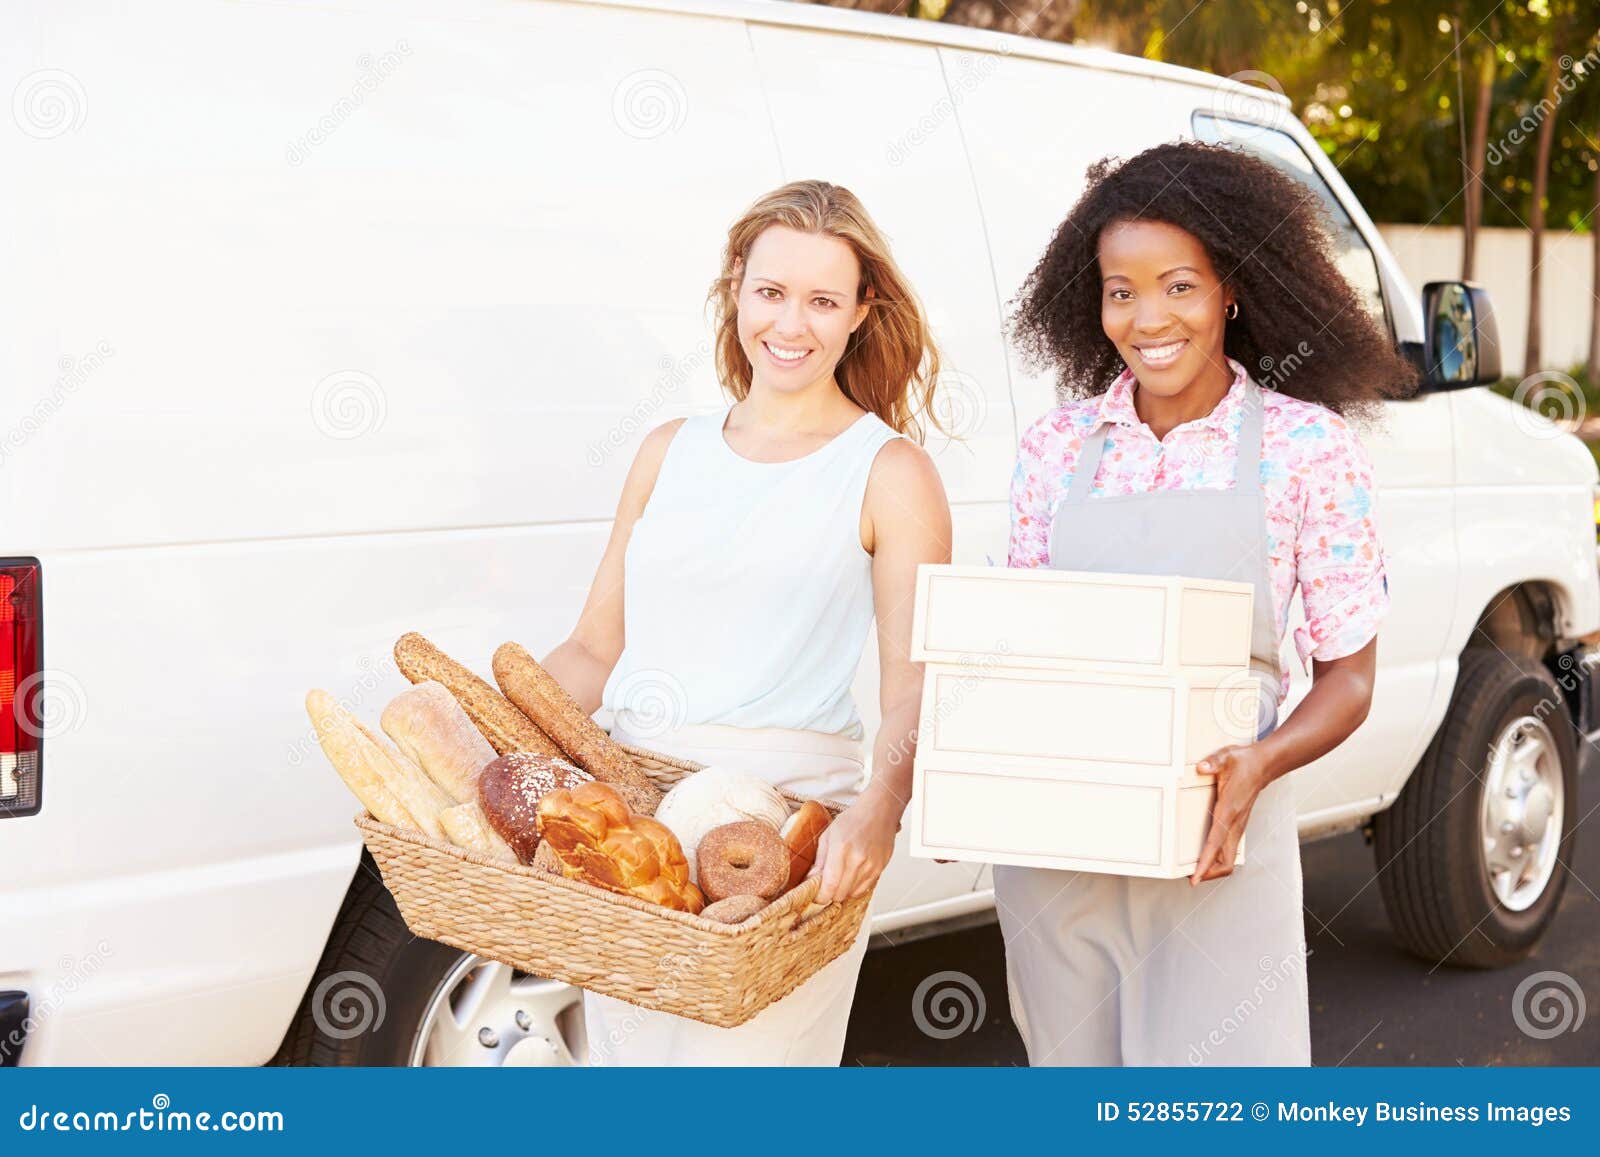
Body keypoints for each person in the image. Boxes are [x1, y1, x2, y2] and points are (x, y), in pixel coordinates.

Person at [1000, 140, 1416, 1066]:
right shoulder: (1056, 447)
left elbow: (1350, 677)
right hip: (1058, 861)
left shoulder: (1309, 448)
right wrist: (975, 784)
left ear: (1232, 287)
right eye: (1121, 290)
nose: (1148, 317)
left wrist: (1259, 764)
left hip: (1219, 852)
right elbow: (1015, 656)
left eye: (1179, 285)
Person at [540, 179, 953, 1066]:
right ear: (736, 286)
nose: (790, 324)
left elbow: (916, 681)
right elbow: (591, 650)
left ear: (860, 311)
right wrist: (486, 743)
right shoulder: (667, 449)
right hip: (635, 819)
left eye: (822, 300)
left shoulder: (888, 472)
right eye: (771, 292)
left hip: (787, 835)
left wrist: (882, 807)